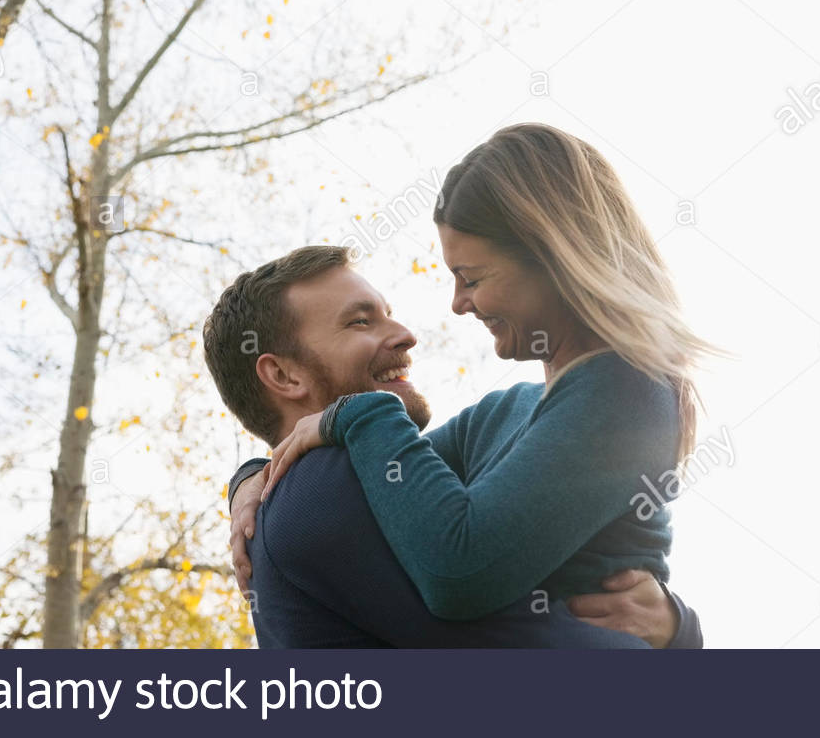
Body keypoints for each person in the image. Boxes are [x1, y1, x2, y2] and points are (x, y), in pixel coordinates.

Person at [231, 124, 719, 632]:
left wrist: (355, 414)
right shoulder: (504, 413)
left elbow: (461, 571)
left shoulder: (626, 393)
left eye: (473, 278)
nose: (459, 304)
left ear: (553, 260)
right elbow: (383, 485)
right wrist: (253, 481)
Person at [206, 245, 701, 647]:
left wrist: (672, 623)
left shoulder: (374, 476)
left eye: (388, 315)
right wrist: (676, 642)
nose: (404, 335)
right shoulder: (324, 492)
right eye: (360, 322)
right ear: (283, 375)